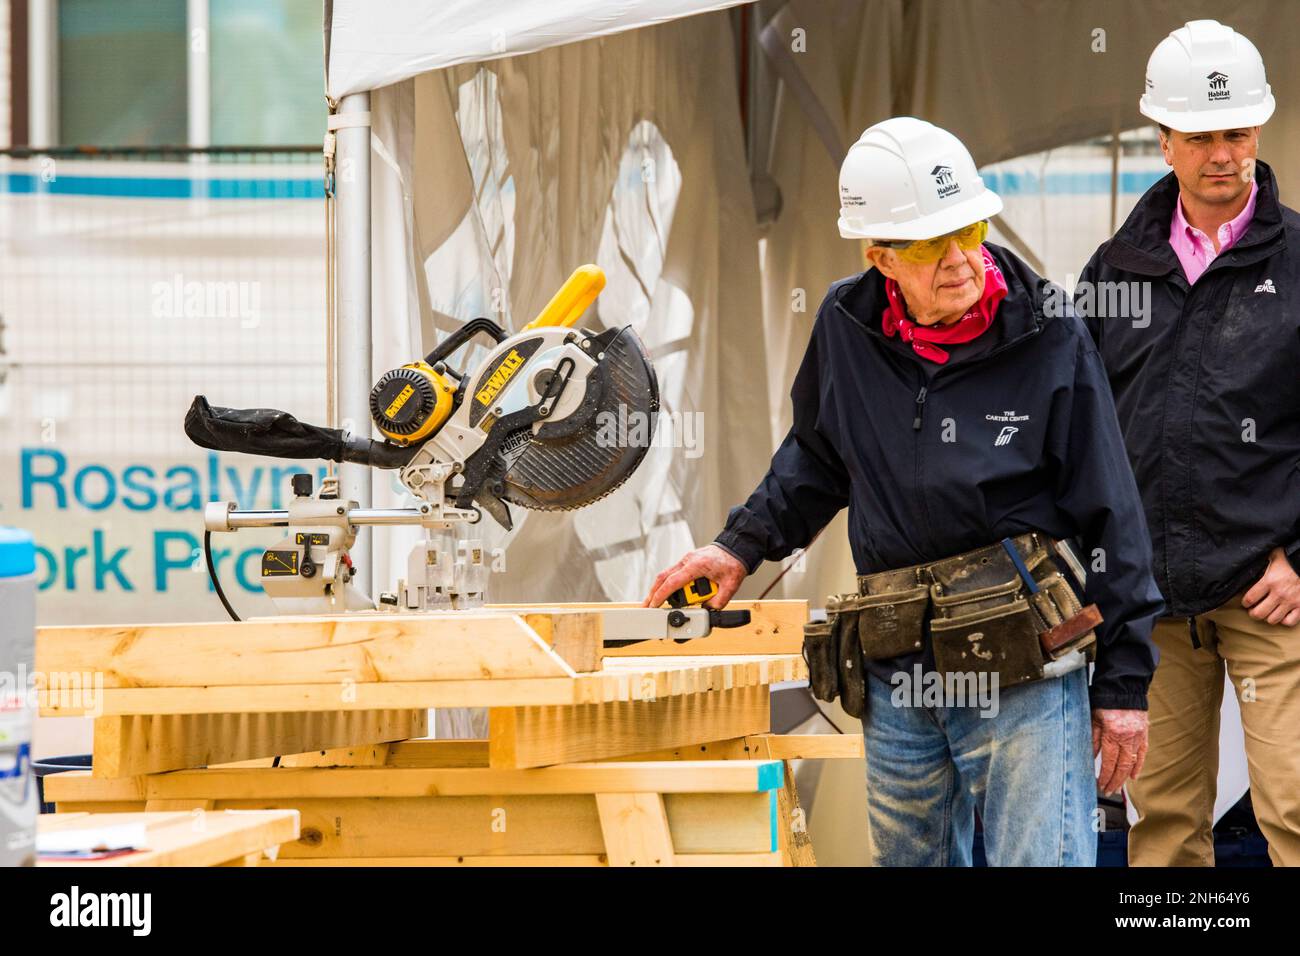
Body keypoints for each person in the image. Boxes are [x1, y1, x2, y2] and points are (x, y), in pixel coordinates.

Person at [645, 117, 1164, 866]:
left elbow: (1112, 512)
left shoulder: (1051, 328)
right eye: (928, 244)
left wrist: (1122, 686)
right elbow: (817, 458)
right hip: (899, 666)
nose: (961, 259)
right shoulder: (844, 323)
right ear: (879, 255)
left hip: (1025, 670)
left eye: (971, 228)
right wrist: (737, 546)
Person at [1076, 19, 1300, 867]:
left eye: (1237, 130)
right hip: (1152, 607)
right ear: (1162, 138)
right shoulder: (1113, 272)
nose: (1223, 152)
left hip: (1272, 594)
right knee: (1163, 832)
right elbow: (1082, 433)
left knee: (1296, 814)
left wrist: (1299, 556)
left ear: (1258, 130)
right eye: (1201, 134)